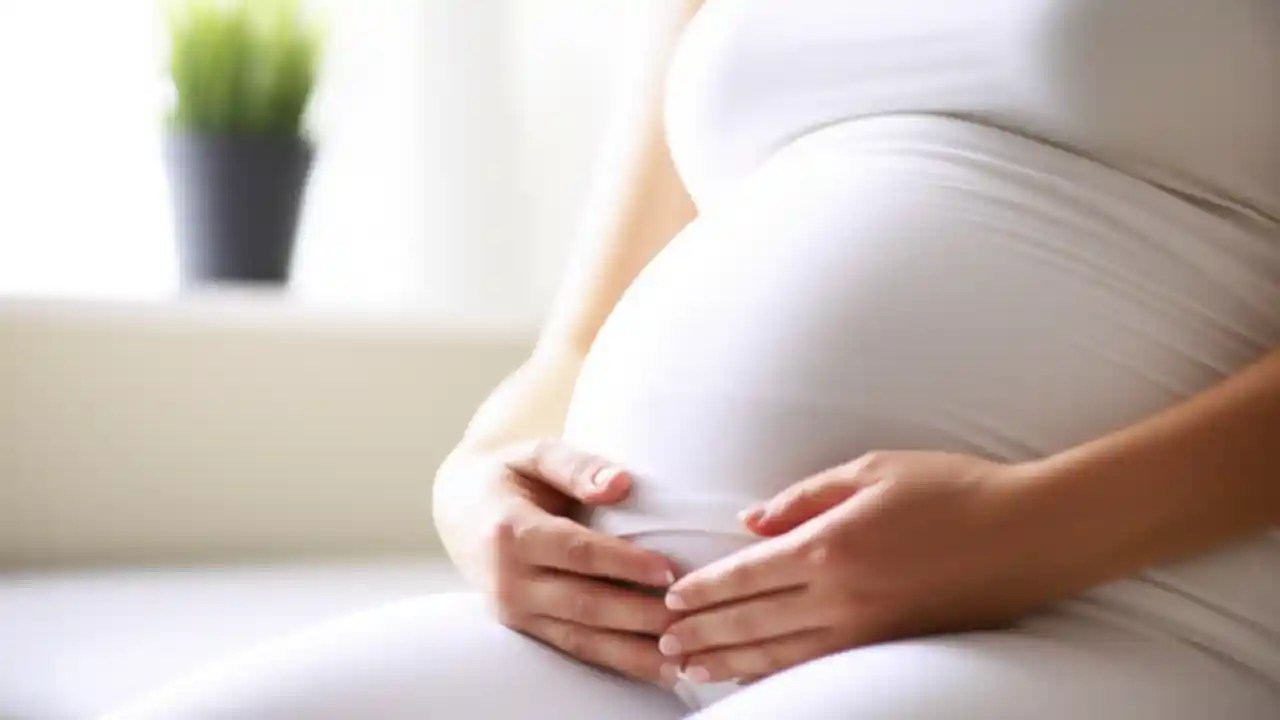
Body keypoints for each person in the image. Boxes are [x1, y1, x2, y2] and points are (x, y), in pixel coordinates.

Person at [114, 0, 1280, 716]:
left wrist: (1022, 533)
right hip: (631, 637)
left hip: (1120, 613)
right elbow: (577, 336)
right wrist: (475, 487)